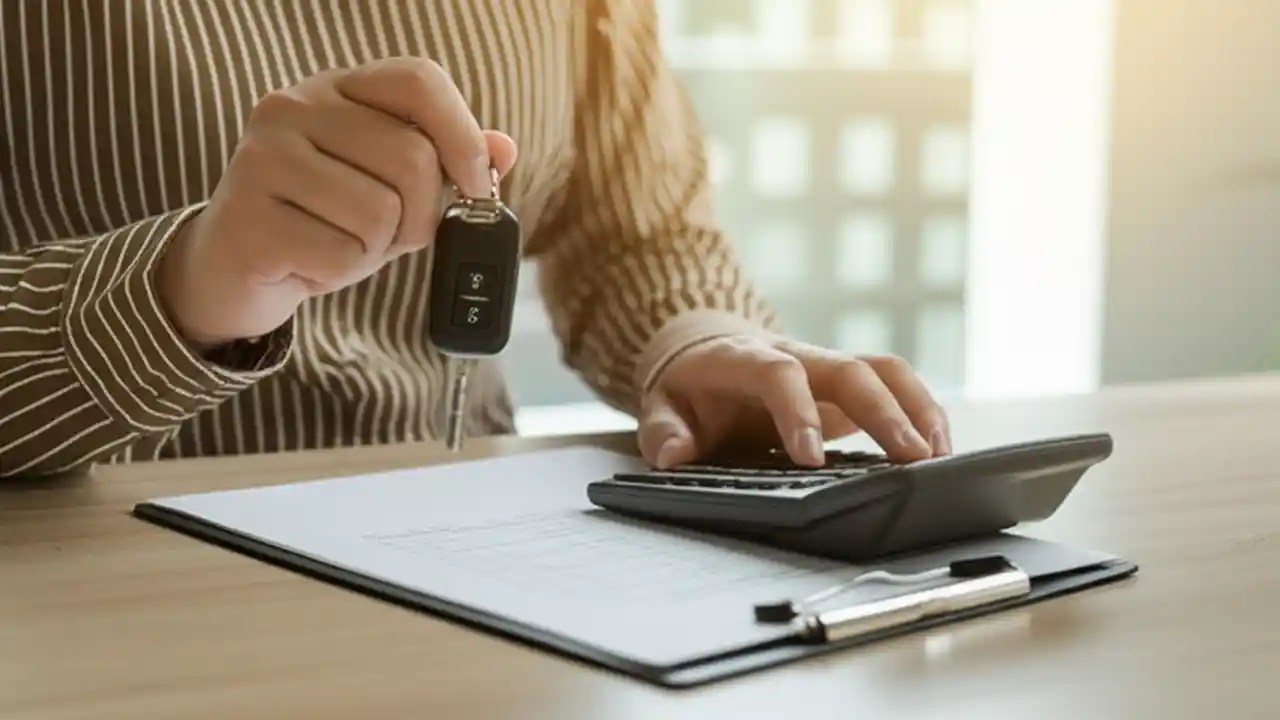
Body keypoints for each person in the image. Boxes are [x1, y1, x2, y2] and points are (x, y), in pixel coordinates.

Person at [0, 1, 950, 478]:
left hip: (473, 569)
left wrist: (697, 341)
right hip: (111, 594)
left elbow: (636, 230)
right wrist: (179, 292)